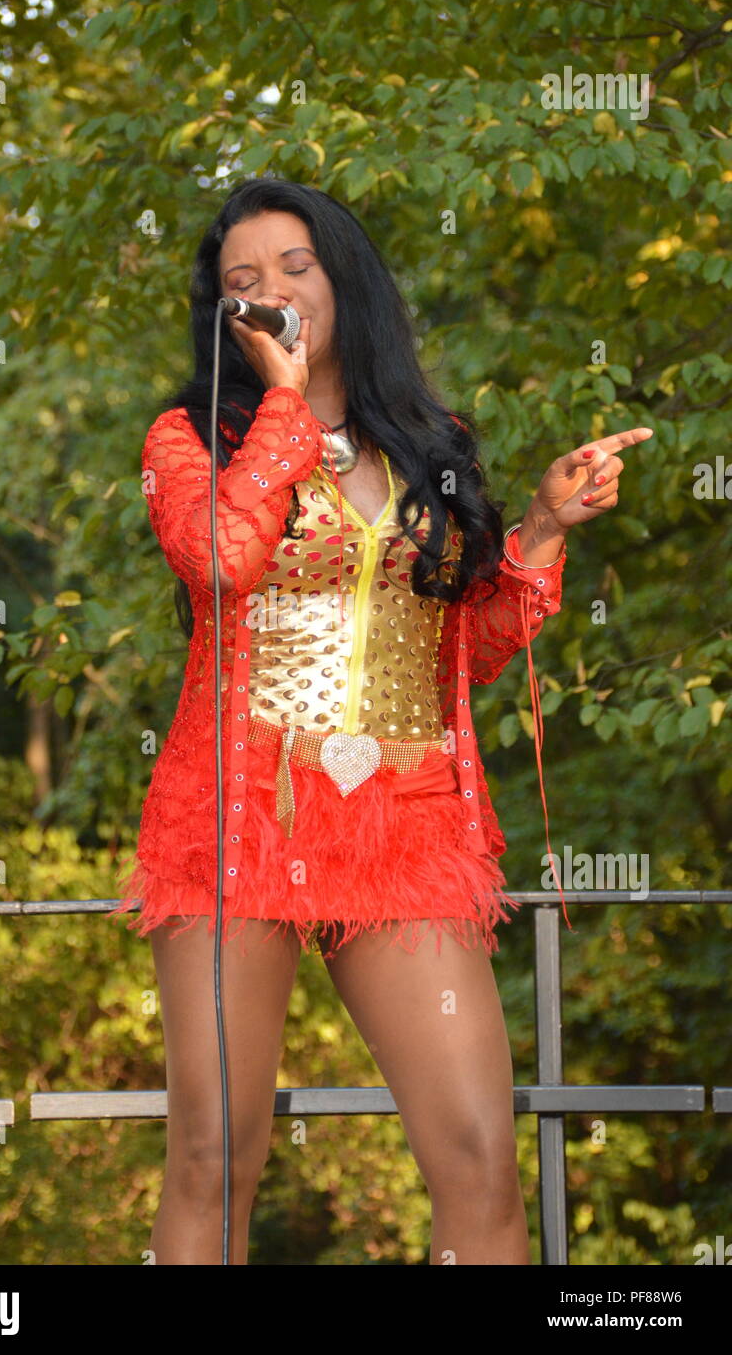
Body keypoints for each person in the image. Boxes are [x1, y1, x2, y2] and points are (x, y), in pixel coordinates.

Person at [111, 177, 653, 1265]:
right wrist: (281, 400)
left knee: (476, 1154)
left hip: (406, 822)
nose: (270, 294)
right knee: (217, 1154)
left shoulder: (429, 439)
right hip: (236, 824)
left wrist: (542, 524)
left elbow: (470, 648)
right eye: (242, 284)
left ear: (344, 278)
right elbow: (219, 561)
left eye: (295, 268)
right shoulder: (189, 440)